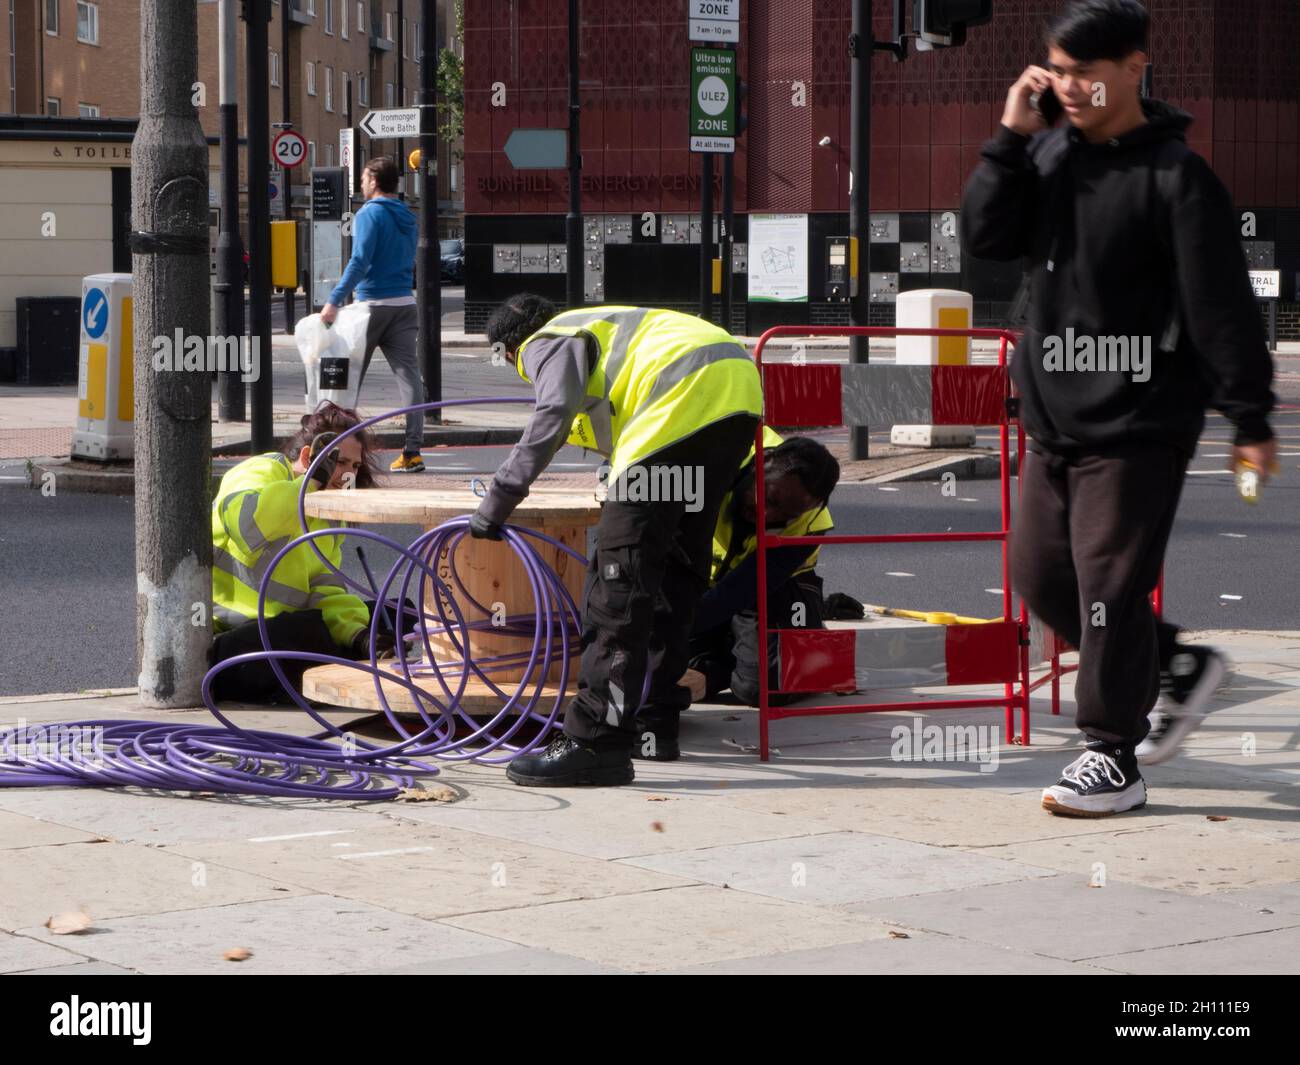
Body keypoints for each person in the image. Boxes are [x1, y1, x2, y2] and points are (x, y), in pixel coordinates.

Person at [962, 0, 1276, 816]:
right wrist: (1010, 138)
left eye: (1083, 74)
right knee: (1038, 576)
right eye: (1056, 70)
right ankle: (1177, 664)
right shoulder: (1051, 152)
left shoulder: (1177, 178)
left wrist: (1250, 419)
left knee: (1108, 586)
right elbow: (988, 240)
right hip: (1054, 419)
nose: (1065, 86)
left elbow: (1222, 306)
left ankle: (1111, 752)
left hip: (1139, 424)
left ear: (1134, 68)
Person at [473, 296, 763, 786]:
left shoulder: (548, 339)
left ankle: (594, 743)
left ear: (510, 350)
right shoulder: (608, 327)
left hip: (680, 399)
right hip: (737, 396)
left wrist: (496, 502)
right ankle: (654, 723)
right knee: (675, 568)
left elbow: (553, 412)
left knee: (618, 583)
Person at [209, 402, 398, 703]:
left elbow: (326, 593)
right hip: (229, 641)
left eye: (355, 466)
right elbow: (248, 526)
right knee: (304, 631)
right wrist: (309, 484)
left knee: (394, 615)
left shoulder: (326, 516)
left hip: (280, 633)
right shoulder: (261, 471)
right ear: (309, 455)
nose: (348, 475)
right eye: (340, 461)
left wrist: (360, 635)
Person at [681, 431, 839, 735]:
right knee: (673, 652)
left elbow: (740, 590)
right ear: (762, 462)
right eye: (769, 497)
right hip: (711, 577)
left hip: (777, 589)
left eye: (785, 514)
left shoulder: (810, 525)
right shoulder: (720, 457)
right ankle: (723, 656)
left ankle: (817, 654)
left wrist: (673, 631)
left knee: (760, 686)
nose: (766, 515)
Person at [320, 156, 426, 474]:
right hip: (405, 305)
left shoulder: (369, 214)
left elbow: (360, 261)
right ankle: (413, 452)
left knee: (347, 377)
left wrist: (334, 300)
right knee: (409, 378)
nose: (362, 183)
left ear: (375, 181)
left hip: (370, 308)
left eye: (365, 178)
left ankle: (335, 446)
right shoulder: (408, 216)